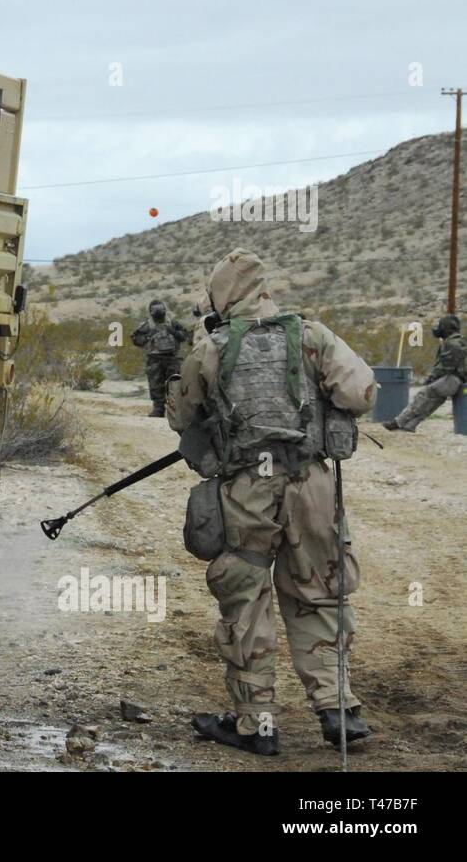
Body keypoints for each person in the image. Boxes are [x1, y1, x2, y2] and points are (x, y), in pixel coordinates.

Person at [167, 249, 378, 755]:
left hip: (248, 489)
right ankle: (338, 711)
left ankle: (256, 725)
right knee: (320, 591)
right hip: (311, 482)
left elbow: (179, 415)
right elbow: (362, 394)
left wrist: (199, 347)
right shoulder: (312, 335)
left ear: (221, 297)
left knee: (245, 599)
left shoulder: (213, 346)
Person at [383, 315, 466, 432]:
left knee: (422, 397)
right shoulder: (460, 341)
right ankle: (410, 425)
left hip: (450, 379)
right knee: (431, 403)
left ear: (446, 328)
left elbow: (446, 367)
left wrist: (432, 378)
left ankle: (398, 422)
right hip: (456, 380)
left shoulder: (452, 343)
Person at [131, 299, 190, 417]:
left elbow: (184, 336)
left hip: (172, 358)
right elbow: (136, 339)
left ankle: (175, 409)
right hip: (155, 358)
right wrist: (148, 336)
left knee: (175, 384)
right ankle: (158, 409)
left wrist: (173, 332)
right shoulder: (148, 325)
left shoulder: (172, 323)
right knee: (156, 385)